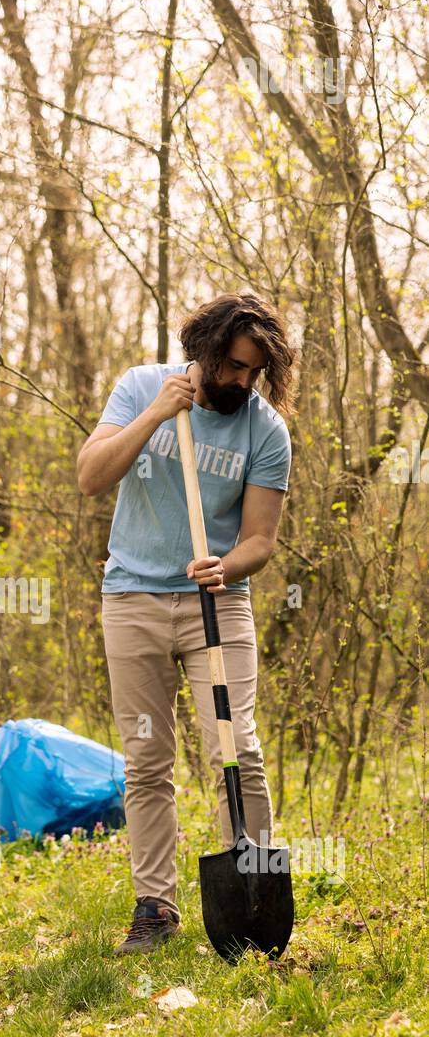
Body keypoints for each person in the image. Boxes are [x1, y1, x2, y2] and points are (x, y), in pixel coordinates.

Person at [77, 292, 294, 954]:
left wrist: (227, 566)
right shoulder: (142, 387)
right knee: (146, 761)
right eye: (231, 365)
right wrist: (155, 416)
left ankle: (251, 892)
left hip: (216, 606)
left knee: (238, 750)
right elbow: (91, 477)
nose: (240, 381)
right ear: (203, 350)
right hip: (133, 600)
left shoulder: (265, 430)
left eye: (253, 372)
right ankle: (155, 910)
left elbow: (260, 539)